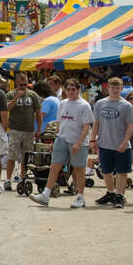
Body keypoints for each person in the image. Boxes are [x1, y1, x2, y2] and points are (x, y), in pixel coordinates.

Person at [29, 79, 94, 209]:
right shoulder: (63, 103)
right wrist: (54, 140)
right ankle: (46, 194)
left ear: (78, 90)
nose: (70, 92)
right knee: (54, 166)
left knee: (79, 169)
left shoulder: (84, 105)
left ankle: (80, 196)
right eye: (68, 89)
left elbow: (86, 127)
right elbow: (58, 123)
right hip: (62, 138)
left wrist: (79, 143)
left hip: (77, 140)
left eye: (73, 89)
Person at [90, 77, 133, 209]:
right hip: (104, 143)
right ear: (107, 88)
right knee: (106, 170)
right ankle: (110, 192)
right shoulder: (100, 103)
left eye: (117, 87)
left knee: (121, 171)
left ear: (122, 89)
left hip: (121, 144)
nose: (115, 90)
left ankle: (120, 195)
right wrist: (93, 139)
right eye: (112, 87)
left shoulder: (126, 105)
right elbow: (96, 123)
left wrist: (125, 142)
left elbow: (130, 126)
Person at [2, 72, 41, 191]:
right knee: (12, 156)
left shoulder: (33, 95)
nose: (23, 87)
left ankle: (23, 178)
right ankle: (8, 180)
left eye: (25, 84)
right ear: (16, 83)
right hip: (15, 129)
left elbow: (38, 112)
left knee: (26, 157)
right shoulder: (10, 94)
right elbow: (7, 108)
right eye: (21, 84)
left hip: (29, 130)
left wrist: (39, 128)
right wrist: (16, 97)